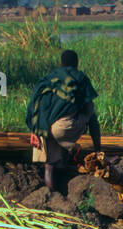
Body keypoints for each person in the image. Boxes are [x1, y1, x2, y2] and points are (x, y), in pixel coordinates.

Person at [26, 49, 102, 192]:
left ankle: (52, 197)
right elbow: (89, 114)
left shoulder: (50, 78)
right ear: (77, 63)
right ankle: (87, 151)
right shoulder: (79, 77)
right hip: (63, 128)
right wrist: (98, 149)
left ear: (61, 63)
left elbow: (35, 104)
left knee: (49, 166)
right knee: (90, 112)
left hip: (42, 127)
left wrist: (34, 131)